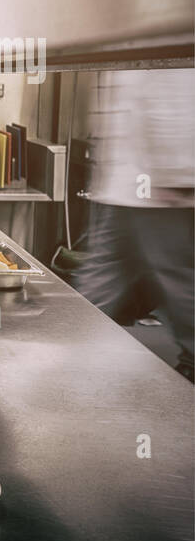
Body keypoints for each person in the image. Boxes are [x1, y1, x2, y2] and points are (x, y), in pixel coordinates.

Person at [72, 68, 194, 381]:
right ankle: (74, 353)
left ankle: (193, 363)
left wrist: (175, 174)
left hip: (157, 185)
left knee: (176, 280)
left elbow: (175, 95)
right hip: (124, 182)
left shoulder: (166, 32)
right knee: (104, 273)